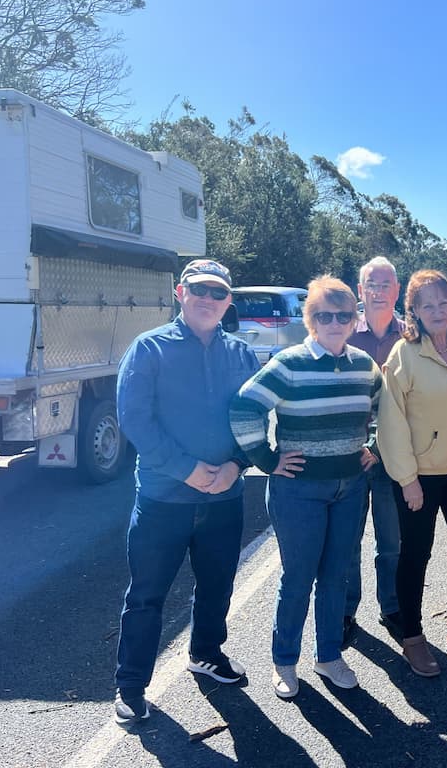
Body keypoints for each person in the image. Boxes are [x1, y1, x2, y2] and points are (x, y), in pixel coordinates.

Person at [113, 259, 259, 726]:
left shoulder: (241, 354)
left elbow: (254, 419)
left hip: (224, 498)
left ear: (228, 301)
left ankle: (206, 654)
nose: (208, 299)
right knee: (147, 595)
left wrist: (237, 464)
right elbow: (135, 419)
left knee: (217, 585)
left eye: (218, 293)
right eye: (199, 290)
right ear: (180, 292)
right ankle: (130, 686)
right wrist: (186, 469)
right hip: (163, 501)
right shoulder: (149, 348)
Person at [230, 276, 381, 700]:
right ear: (310, 319)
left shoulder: (364, 365)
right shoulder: (288, 364)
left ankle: (329, 656)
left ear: (354, 320)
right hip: (298, 492)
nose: (335, 323)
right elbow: (244, 407)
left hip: (349, 488)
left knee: (336, 576)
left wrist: (372, 446)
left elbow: (378, 409)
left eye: (344, 316)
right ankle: (285, 661)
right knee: (298, 578)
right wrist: (266, 460)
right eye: (324, 316)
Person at [377, 270, 447, 676]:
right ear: (414, 312)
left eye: (444, 302)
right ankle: (412, 638)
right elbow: (390, 421)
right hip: (419, 477)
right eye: (428, 305)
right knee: (415, 555)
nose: (438, 311)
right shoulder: (404, 354)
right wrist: (407, 478)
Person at [344, 256, 405, 646]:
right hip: (348, 456)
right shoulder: (342, 331)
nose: (379, 292)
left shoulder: (412, 337)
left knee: (392, 542)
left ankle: (392, 607)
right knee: (347, 541)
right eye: (372, 284)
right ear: (360, 290)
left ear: (397, 290)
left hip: (393, 456)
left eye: (386, 285)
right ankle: (345, 610)